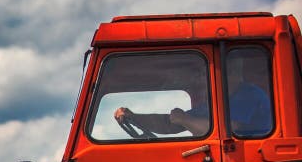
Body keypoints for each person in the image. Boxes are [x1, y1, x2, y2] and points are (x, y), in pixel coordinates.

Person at [114, 58, 272, 138]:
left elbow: (223, 132)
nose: (203, 79)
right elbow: (170, 124)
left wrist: (184, 119)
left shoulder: (248, 95)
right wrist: (133, 117)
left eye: (205, 74)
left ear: (229, 72)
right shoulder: (217, 101)